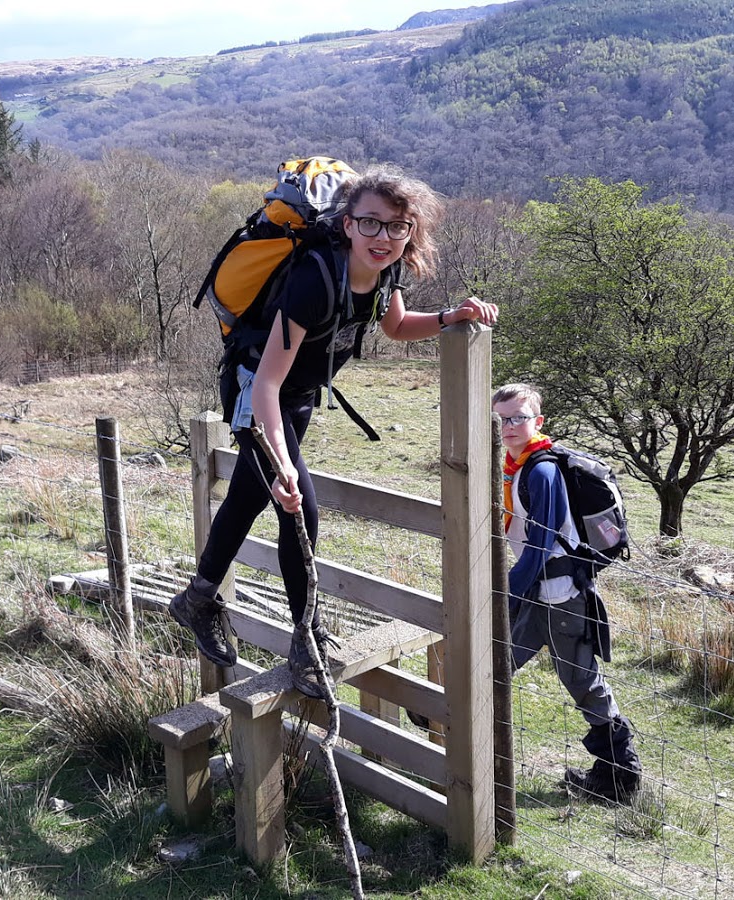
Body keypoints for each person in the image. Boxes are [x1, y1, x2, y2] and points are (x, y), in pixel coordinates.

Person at [172, 165, 498, 699]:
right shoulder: (316, 280)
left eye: (398, 227)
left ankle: (198, 598)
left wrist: (449, 315)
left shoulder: (386, 271)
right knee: (300, 505)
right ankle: (306, 638)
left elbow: (394, 327)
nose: (384, 237)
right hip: (256, 390)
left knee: (249, 495)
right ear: (347, 224)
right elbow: (266, 388)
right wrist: (283, 466)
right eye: (371, 224)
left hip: (293, 399)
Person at [492, 383, 642, 803]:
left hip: (560, 596)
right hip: (539, 595)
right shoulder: (515, 465)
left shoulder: (541, 470)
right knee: (494, 663)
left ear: (537, 421)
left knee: (581, 681)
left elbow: (540, 547)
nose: (509, 426)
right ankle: (459, 741)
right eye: (502, 419)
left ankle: (620, 778)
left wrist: (501, 596)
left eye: (518, 418)